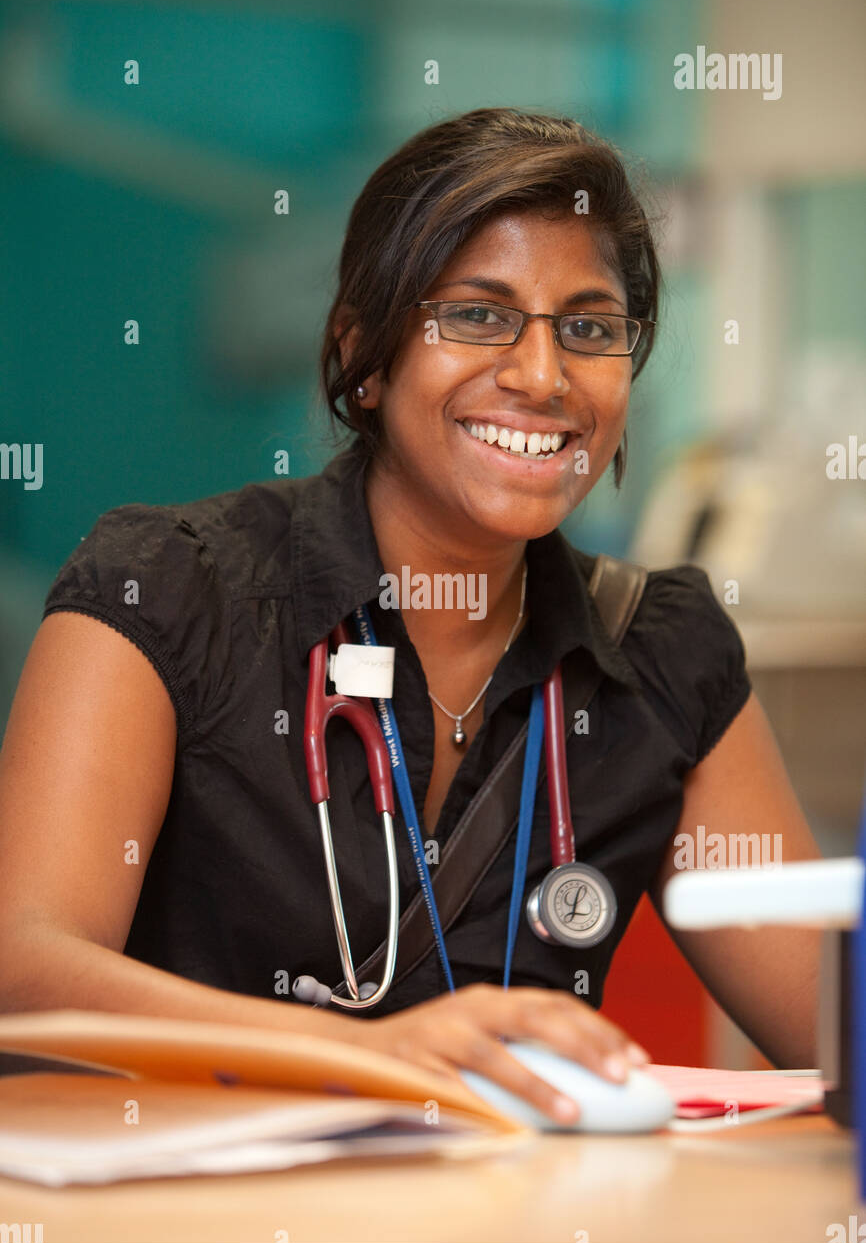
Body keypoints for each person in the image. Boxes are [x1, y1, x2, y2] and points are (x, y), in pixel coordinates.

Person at [0, 108, 821, 1124]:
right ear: (366, 354)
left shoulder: (659, 654)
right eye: (476, 315)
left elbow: (827, 1021)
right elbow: (23, 973)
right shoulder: (162, 589)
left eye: (589, 327)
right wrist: (367, 1055)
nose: (540, 374)